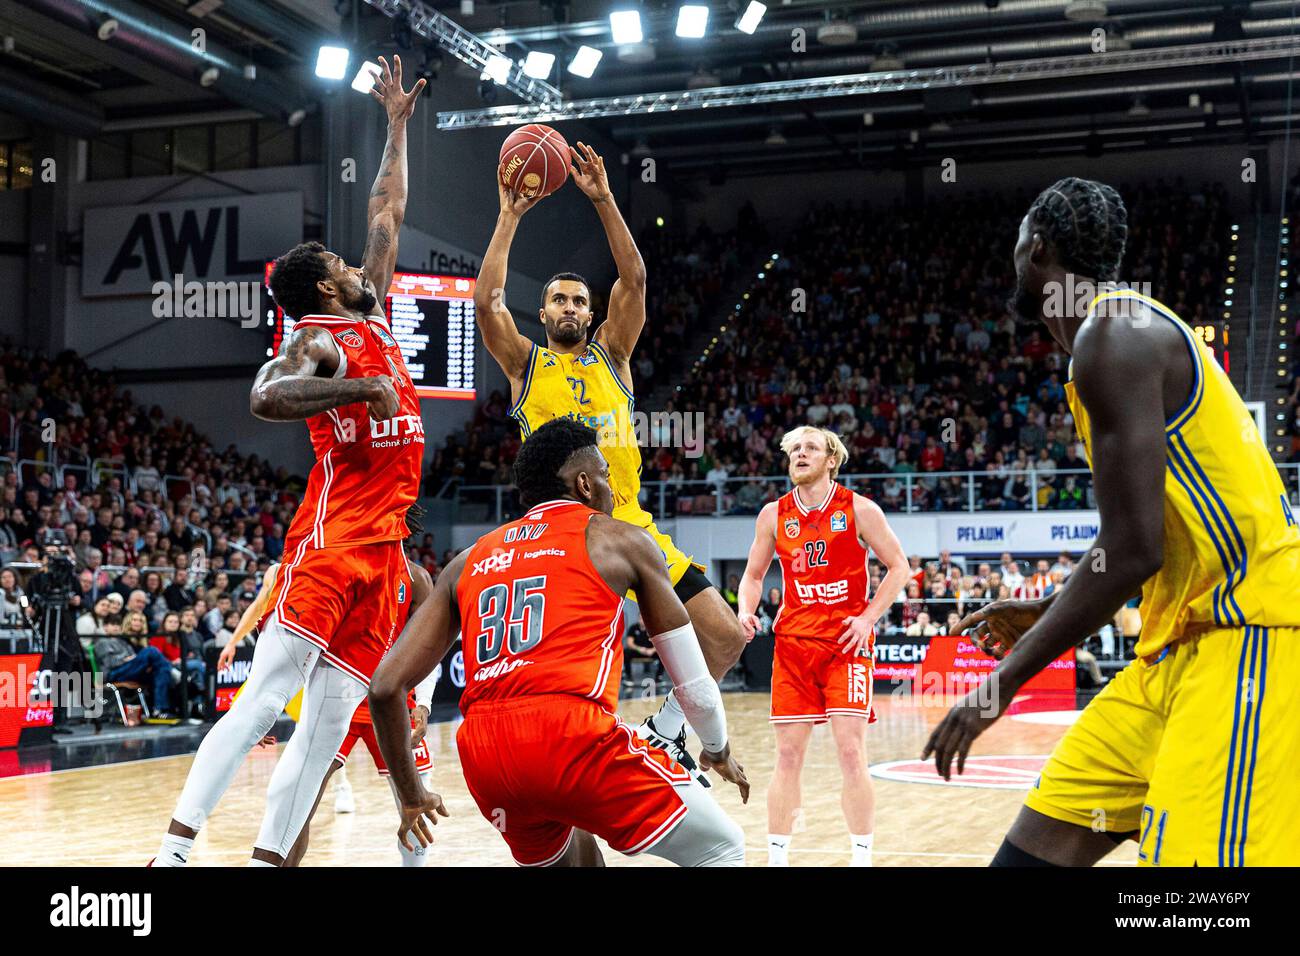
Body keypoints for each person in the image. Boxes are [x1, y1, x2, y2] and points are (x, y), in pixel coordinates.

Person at [927, 177, 1300, 867]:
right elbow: (1138, 542)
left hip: (1249, 644)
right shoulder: (1108, 337)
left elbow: (1133, 552)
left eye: (1016, 242)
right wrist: (1042, 609)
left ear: (1036, 249)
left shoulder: (1112, 333)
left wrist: (999, 684)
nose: (1011, 255)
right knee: (1029, 857)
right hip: (1176, 647)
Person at [154, 56, 427, 868]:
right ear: (327, 289)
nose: (360, 264)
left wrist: (397, 126)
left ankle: (269, 863)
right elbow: (266, 398)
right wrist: (354, 392)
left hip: (384, 556)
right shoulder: (320, 340)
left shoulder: (369, 313)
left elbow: (386, 208)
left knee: (326, 725)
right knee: (268, 701)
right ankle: (173, 851)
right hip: (331, 542)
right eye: (345, 267)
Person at [472, 142, 747, 784]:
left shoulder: (613, 357)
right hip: (563, 538)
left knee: (727, 636)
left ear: (591, 315)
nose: (569, 307)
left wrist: (604, 199)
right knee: (566, 685)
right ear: (540, 314)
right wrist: (510, 215)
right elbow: (487, 303)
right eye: (558, 300)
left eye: (578, 301)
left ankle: (665, 734)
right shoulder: (524, 365)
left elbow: (636, 280)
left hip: (631, 526)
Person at [370, 418, 749, 867]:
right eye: (607, 476)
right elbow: (695, 686)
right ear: (585, 484)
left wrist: (411, 794)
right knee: (722, 847)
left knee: (580, 854)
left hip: (486, 757)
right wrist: (716, 748)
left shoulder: (467, 560)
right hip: (571, 738)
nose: (613, 490)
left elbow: (384, 688)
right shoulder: (621, 538)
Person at [737, 425, 910, 867]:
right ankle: (778, 858)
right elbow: (754, 576)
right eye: (794, 448)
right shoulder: (773, 515)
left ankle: (861, 857)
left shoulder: (859, 509)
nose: (799, 454)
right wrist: (745, 610)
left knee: (850, 751)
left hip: (845, 644)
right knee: (788, 754)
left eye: (810, 448)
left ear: (831, 458)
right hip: (793, 644)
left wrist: (869, 618)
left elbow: (899, 567)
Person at [283, 560, 438, 868]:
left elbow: (429, 648)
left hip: (393, 701)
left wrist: (424, 703)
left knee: (417, 805)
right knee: (297, 806)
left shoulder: (417, 578)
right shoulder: (340, 568)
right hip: (339, 696)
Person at [94, 630, 173, 717]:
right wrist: (125, 659)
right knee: (151, 650)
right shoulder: (102, 642)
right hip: (113, 673)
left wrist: (132, 659)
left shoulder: (122, 641)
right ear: (106, 627)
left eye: (117, 625)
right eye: (112, 624)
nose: (115, 628)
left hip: (129, 670)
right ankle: (172, 670)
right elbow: (109, 662)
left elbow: (134, 656)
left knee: (161, 672)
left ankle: (159, 710)